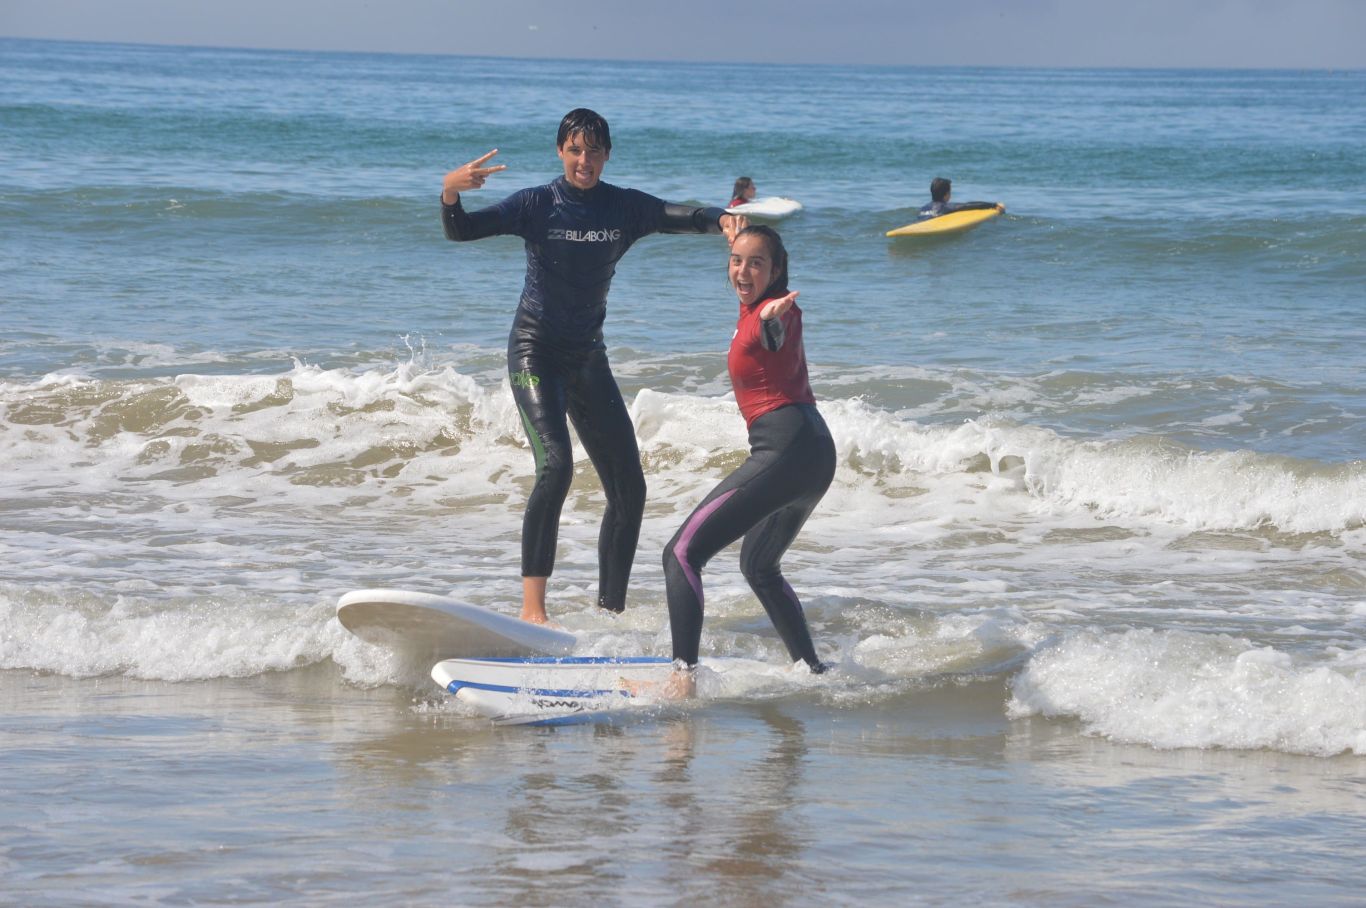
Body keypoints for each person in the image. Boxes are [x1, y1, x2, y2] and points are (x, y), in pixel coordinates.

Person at [441, 108, 737, 625]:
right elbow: (462, 231)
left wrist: (723, 220)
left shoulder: (621, 207)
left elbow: (681, 215)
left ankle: (610, 613)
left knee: (629, 489)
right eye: (575, 150)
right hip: (535, 351)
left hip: (587, 357)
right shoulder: (536, 204)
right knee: (556, 465)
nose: (585, 160)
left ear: (607, 155)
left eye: (594, 151)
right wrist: (450, 189)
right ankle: (533, 609)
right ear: (561, 151)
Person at [661, 224, 836, 696]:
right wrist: (736, 238)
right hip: (815, 451)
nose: (743, 269)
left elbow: (772, 331)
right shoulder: (751, 302)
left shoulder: (776, 312)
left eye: (757, 263)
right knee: (759, 567)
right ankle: (813, 673)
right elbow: (750, 281)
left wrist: (772, 318)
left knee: (681, 554)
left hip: (787, 446)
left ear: (778, 271)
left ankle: (683, 680)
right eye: (737, 260)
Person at [918, 176, 1005, 218]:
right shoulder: (945, 207)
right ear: (946, 194)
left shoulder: (923, 208)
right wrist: (993, 205)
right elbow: (969, 205)